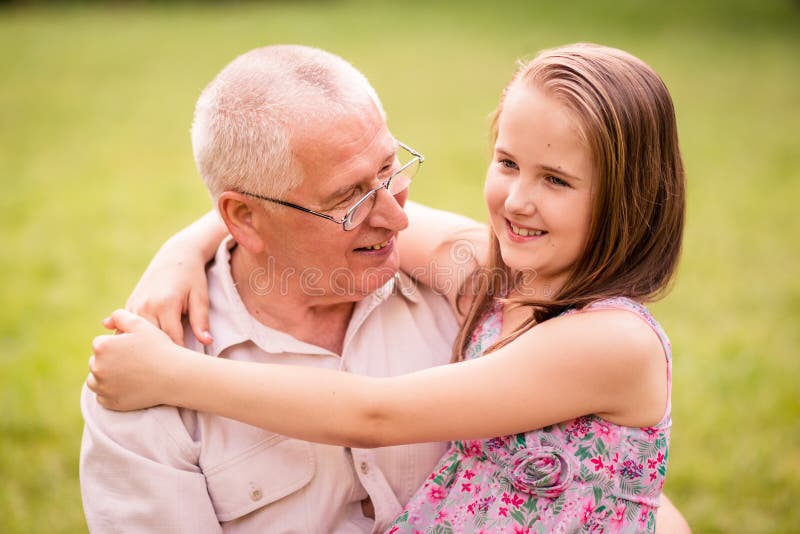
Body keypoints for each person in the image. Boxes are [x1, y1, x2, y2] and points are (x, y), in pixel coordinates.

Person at [88, 43, 689, 533]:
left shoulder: (552, 310)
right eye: (507, 163)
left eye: (556, 179)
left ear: (628, 196)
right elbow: (257, 202)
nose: (396, 218)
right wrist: (182, 249)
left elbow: (374, 413)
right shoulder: (504, 278)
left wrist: (171, 375)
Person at [79, 44, 480, 532]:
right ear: (244, 218)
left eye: (388, 169)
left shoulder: (465, 293)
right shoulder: (141, 377)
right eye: (348, 197)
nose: (398, 218)